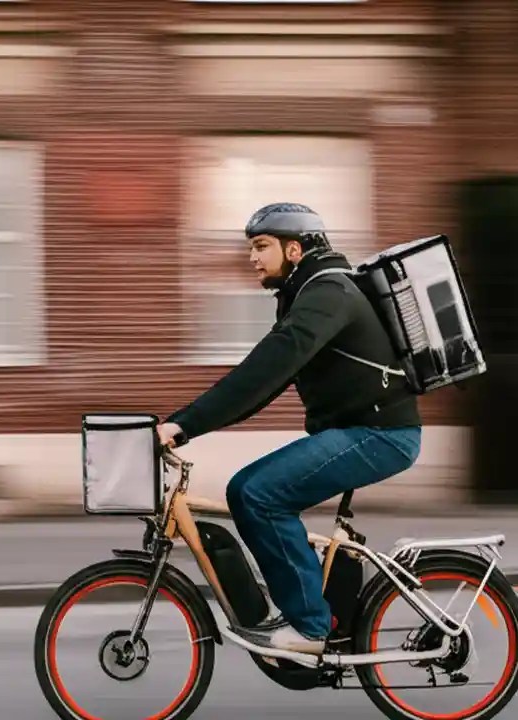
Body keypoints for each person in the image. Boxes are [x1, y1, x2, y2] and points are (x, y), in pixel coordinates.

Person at [157, 202, 423, 655]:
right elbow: (264, 385)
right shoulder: (307, 295)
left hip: (380, 434)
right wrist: (188, 424)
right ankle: (304, 611)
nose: (252, 257)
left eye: (262, 246)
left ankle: (309, 628)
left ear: (295, 249)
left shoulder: (328, 294)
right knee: (251, 491)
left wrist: (181, 425)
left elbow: (264, 369)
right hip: (353, 431)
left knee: (257, 494)